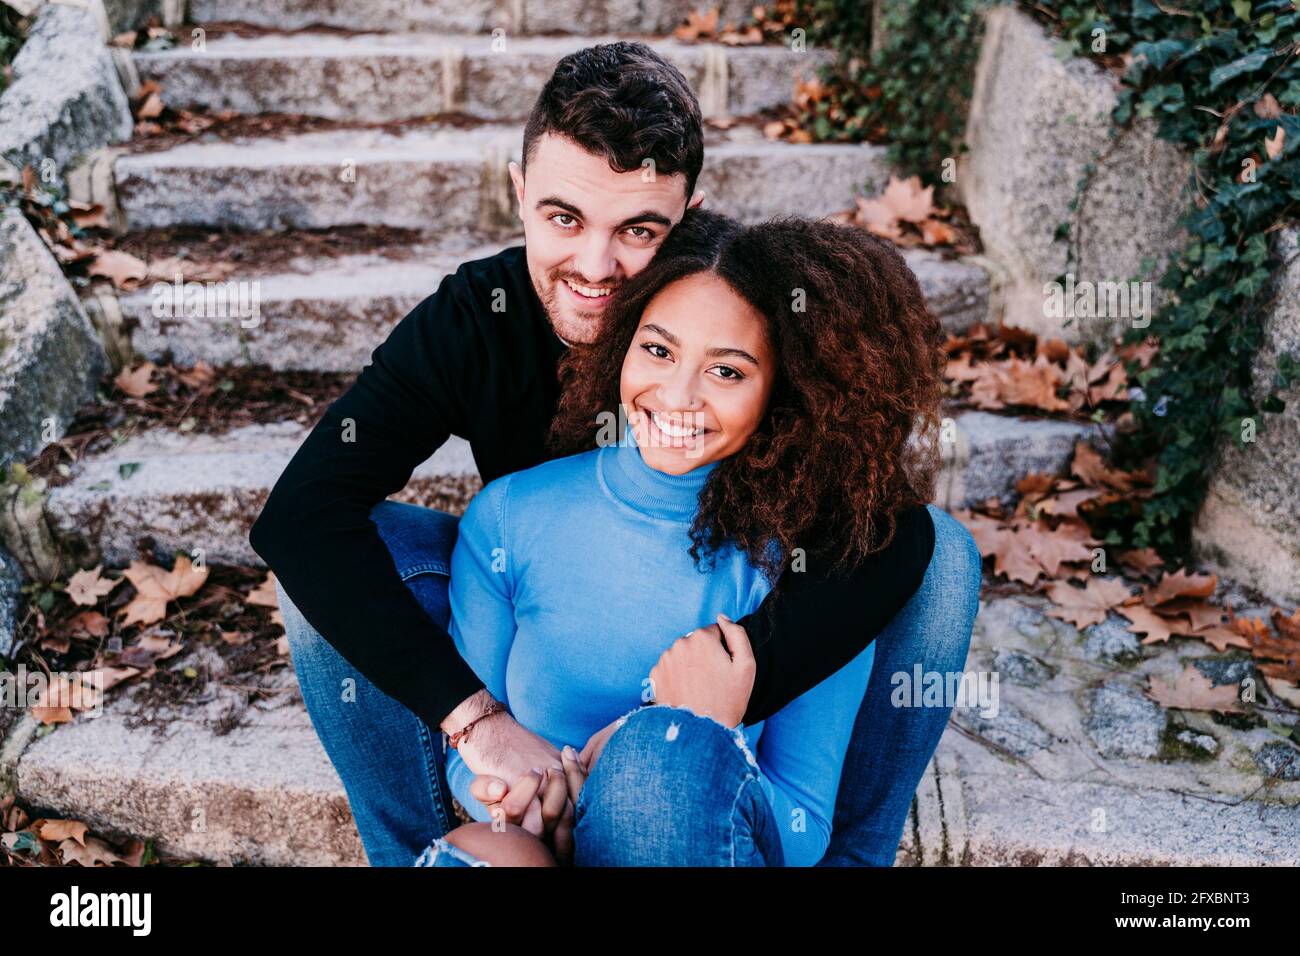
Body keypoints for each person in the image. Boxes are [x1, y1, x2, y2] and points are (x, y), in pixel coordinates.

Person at [251, 42, 982, 868]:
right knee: (341, 563)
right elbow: (299, 517)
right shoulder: (475, 320)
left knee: (941, 559)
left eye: (638, 229)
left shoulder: (727, 301)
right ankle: (446, 844)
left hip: (711, 637)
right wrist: (482, 729)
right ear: (520, 195)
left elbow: (890, 526)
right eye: (564, 218)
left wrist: (715, 691)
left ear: (689, 218)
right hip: (540, 591)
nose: (596, 270)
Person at [416, 209, 946, 866]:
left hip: (699, 844)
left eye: (727, 371)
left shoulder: (817, 565)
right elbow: (465, 759)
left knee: (661, 755)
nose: (677, 395)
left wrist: (700, 745)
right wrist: (524, 798)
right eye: (658, 350)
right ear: (622, 343)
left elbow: (803, 829)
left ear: (783, 393)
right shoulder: (510, 514)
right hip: (537, 841)